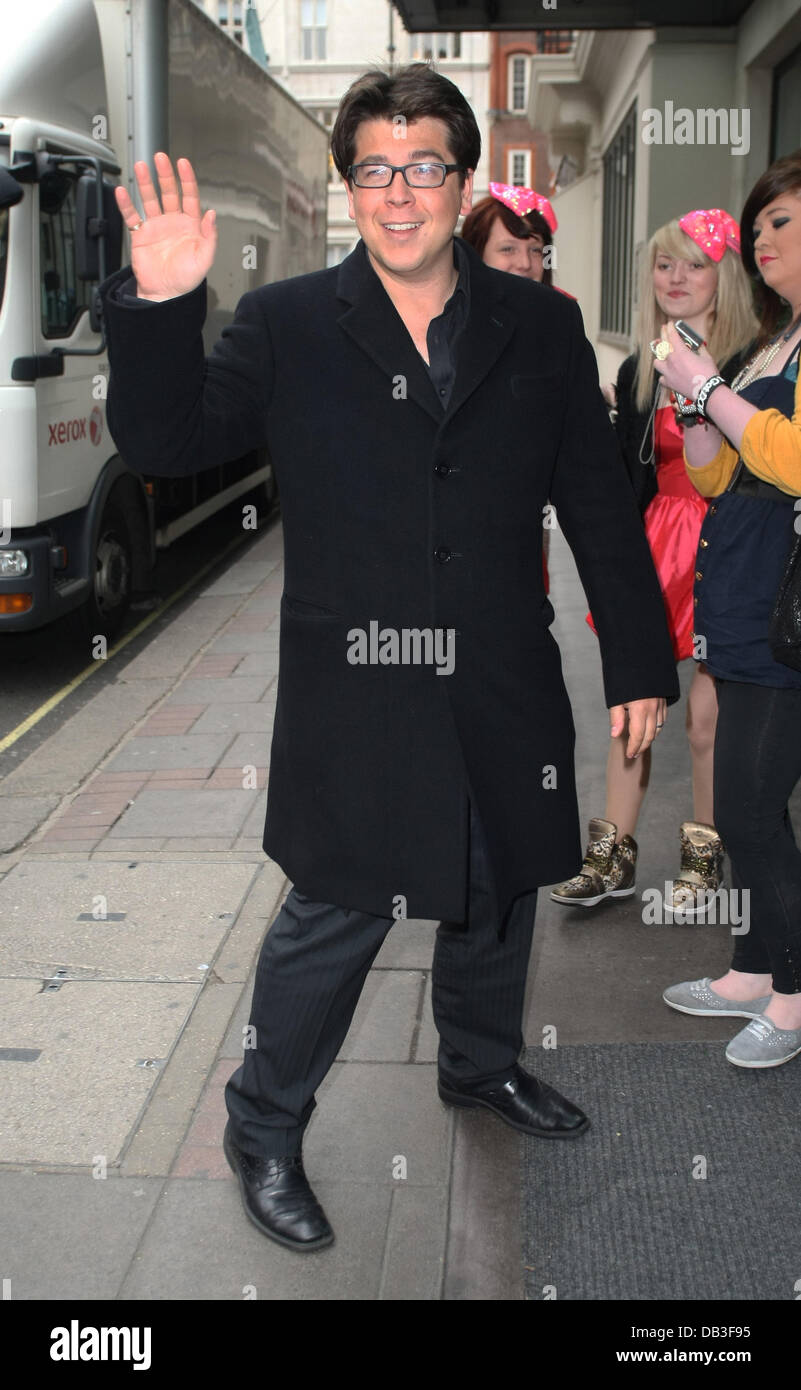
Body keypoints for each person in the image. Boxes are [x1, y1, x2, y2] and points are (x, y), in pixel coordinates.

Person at [100, 63, 678, 1251]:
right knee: (337, 914)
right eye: (374, 168)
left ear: (461, 181)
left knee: (501, 881)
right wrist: (158, 310)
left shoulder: (542, 324)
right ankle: (262, 1124)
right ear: (350, 186)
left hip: (505, 672)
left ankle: (476, 1065)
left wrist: (637, 661)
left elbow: (598, 506)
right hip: (357, 689)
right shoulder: (289, 324)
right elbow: (165, 440)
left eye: (424, 166)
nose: (400, 192)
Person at [551, 210, 757, 915]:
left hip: (722, 547)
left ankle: (703, 860)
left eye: (692, 265)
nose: (674, 278)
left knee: (707, 717)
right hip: (654, 547)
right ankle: (612, 858)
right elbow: (623, 476)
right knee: (631, 703)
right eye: (663, 265)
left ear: (722, 276)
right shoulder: (643, 362)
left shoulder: (749, 360)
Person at [656, 151, 801, 1067]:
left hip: (789, 614)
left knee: (750, 805)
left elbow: (793, 457)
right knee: (743, 805)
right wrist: (697, 410)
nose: (760, 238)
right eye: (756, 227)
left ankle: (792, 993)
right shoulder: (770, 344)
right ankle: (752, 967)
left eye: (780, 221)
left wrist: (710, 391)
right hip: (743, 598)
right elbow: (721, 474)